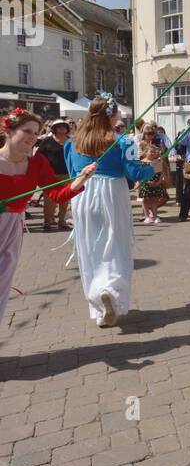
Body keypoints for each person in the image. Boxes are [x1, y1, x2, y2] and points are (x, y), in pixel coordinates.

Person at [64, 97, 156, 327]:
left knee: (90, 249)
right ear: (111, 116)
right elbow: (134, 172)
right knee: (115, 246)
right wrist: (153, 166)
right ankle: (109, 291)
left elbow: (72, 175)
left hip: (83, 195)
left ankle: (99, 307)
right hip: (112, 194)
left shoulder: (73, 142)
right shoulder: (122, 141)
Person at [0, 109, 97, 327]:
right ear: (9, 130)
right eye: (27, 131)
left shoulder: (37, 163)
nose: (33, 137)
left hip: (12, 230)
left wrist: (80, 180)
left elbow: (56, 194)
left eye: (36, 132)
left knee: (2, 284)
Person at [36, 119, 72, 231]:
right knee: (49, 200)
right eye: (59, 126)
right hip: (50, 176)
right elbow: (38, 156)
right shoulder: (47, 141)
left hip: (67, 175)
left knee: (65, 199)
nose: (62, 128)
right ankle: (47, 221)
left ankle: (62, 221)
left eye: (64, 126)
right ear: (54, 128)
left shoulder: (71, 141)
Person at [136, 123, 170, 224]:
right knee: (144, 197)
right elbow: (137, 157)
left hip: (156, 170)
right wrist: (147, 152)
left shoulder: (157, 142)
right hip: (144, 169)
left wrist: (158, 150)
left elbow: (162, 154)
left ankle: (153, 214)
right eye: (148, 133)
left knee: (158, 196)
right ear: (144, 133)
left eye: (152, 133)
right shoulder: (140, 143)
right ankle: (147, 215)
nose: (150, 135)